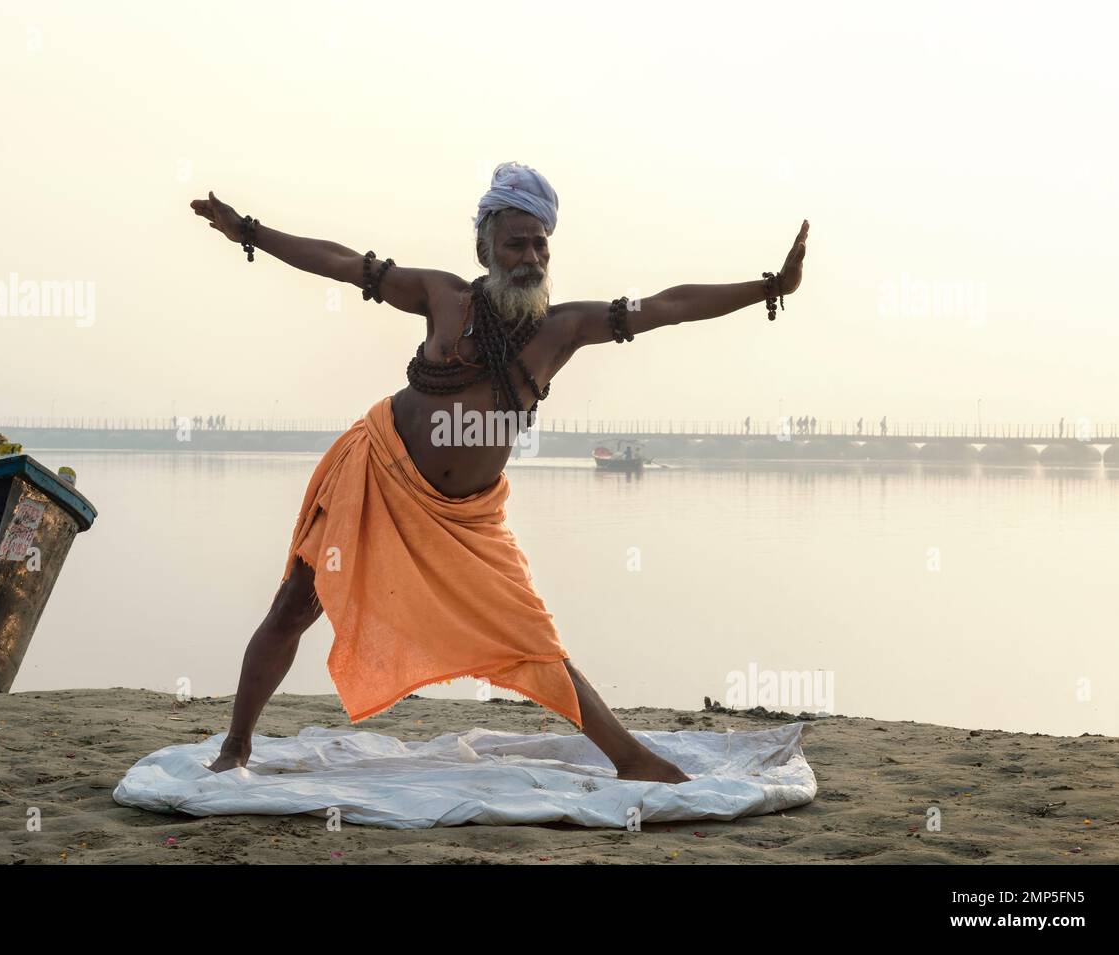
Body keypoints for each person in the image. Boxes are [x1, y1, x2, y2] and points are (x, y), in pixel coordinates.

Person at [190, 164, 809, 783]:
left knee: (532, 635)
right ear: (485, 249)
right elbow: (342, 262)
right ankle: (236, 747)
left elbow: (668, 306)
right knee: (296, 605)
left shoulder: (561, 329)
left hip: (467, 518)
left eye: (541, 243)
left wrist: (769, 286)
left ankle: (631, 759)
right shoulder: (443, 297)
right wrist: (247, 229)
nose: (531, 257)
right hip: (375, 471)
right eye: (516, 243)